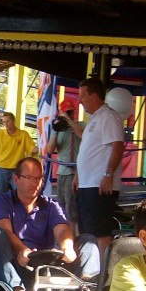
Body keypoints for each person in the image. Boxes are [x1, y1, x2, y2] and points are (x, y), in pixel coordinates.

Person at [0, 156, 99, 291]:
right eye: (29, 178)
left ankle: (86, 290)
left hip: (46, 265)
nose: (35, 183)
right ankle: (16, 290)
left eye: (38, 178)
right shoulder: (0, 201)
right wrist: (23, 250)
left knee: (88, 240)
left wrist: (67, 247)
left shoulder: (51, 205)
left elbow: (62, 230)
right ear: (16, 179)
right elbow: (4, 230)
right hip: (16, 263)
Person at [73, 77, 124, 258]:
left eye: (83, 97)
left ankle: (102, 274)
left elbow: (118, 145)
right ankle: (88, 269)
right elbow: (89, 151)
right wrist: (79, 175)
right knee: (86, 229)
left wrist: (108, 174)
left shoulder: (109, 116)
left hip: (99, 185)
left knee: (100, 232)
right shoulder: (94, 119)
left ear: (94, 96)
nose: (80, 101)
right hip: (87, 184)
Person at [44, 100, 79, 233]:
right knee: (61, 206)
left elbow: (82, 133)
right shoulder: (58, 128)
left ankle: (73, 236)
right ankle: (63, 234)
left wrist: (69, 121)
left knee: (72, 206)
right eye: (66, 112)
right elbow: (49, 149)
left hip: (75, 172)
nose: (68, 115)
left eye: (70, 112)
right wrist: (56, 129)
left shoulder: (79, 126)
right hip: (62, 172)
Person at [0, 111, 36, 194]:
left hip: (16, 170)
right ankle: (2, 207)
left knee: (19, 193)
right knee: (1, 194)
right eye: (4, 122)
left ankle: (17, 207)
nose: (6, 124)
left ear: (13, 121)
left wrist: (41, 149)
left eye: (8, 121)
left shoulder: (23, 135)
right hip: (2, 169)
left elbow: (31, 148)